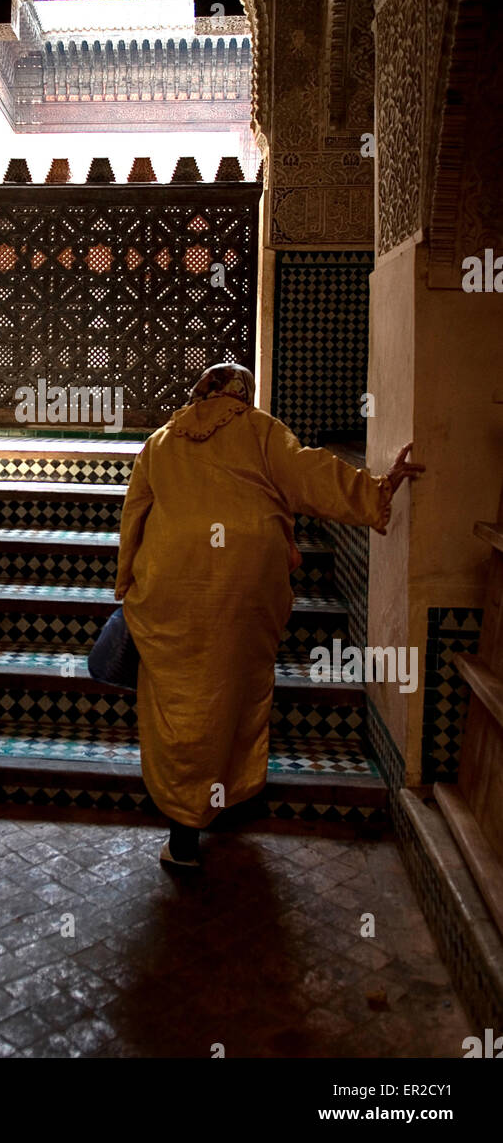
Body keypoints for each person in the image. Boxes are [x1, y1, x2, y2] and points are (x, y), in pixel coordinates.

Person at [114, 362, 425, 868]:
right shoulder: (261, 431)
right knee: (233, 687)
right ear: (243, 393)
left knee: (177, 701)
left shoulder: (161, 442)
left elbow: (136, 513)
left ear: (202, 392)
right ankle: (226, 800)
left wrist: (126, 578)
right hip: (244, 582)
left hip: (171, 584)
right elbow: (310, 473)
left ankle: (184, 828)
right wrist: (377, 488)